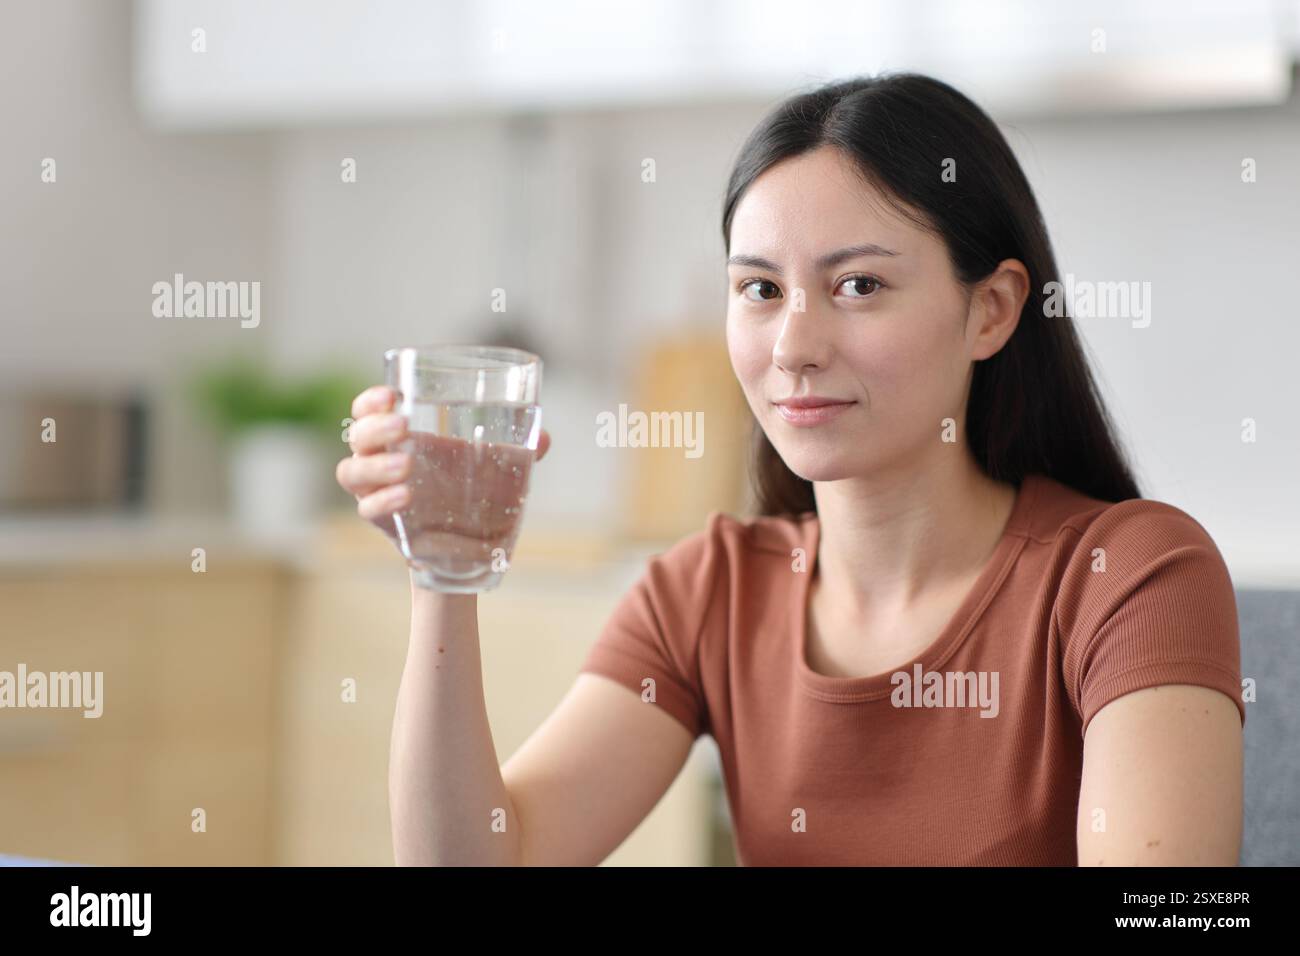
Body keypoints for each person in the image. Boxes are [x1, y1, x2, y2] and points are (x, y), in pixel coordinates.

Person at [336, 72, 1244, 866]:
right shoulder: (708, 596)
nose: (794, 347)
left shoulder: (1129, 576)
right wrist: (442, 564)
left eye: (859, 286)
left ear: (993, 311)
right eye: (760, 290)